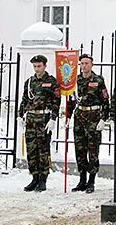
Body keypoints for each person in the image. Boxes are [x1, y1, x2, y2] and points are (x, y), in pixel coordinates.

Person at [68, 54, 110, 193]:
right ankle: (82, 180)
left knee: (93, 150)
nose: (84, 66)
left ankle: (91, 181)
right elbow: (71, 99)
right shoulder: (76, 80)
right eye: (82, 63)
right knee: (80, 149)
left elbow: (105, 101)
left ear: (92, 65)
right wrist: (68, 116)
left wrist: (104, 119)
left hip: (93, 117)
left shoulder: (98, 80)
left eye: (86, 63)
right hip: (79, 115)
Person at [18, 54, 60, 192]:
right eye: (35, 66)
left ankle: (43, 179)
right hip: (30, 119)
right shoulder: (29, 82)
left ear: (45, 65)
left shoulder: (52, 81)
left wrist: (53, 118)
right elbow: (24, 100)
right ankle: (34, 178)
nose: (37, 69)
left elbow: (56, 101)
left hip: (44, 119)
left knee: (43, 150)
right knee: (31, 150)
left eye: (39, 66)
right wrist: (20, 115)